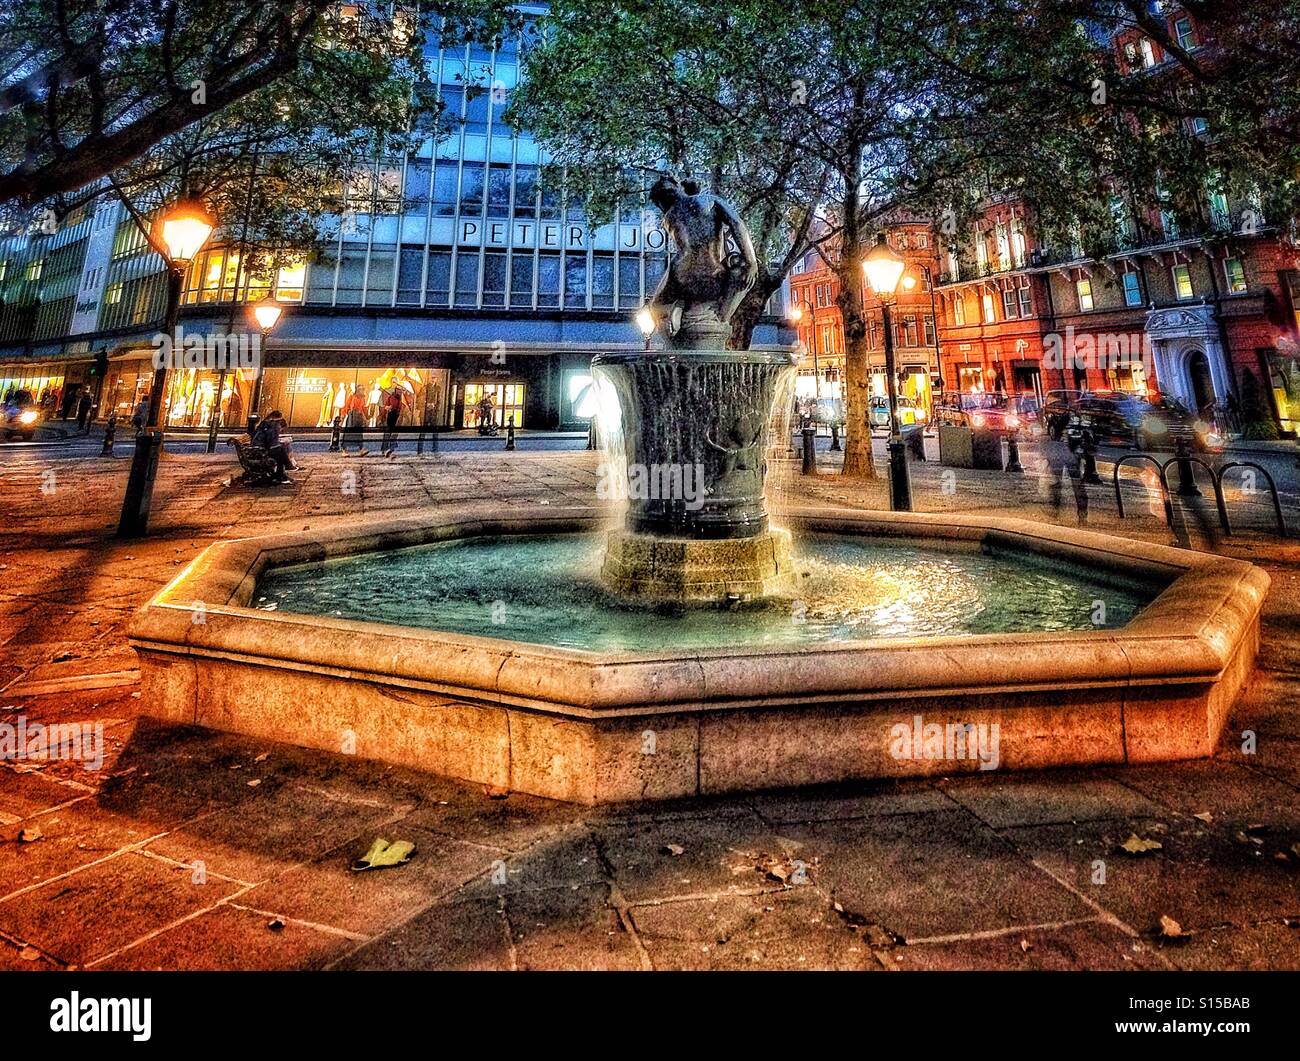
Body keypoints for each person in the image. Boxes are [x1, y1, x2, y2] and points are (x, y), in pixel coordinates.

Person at [251, 409, 293, 483]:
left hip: (259, 448)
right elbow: (271, 443)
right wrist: (279, 442)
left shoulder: (264, 424)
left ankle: (284, 470)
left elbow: (267, 440)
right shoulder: (272, 426)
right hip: (261, 451)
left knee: (281, 449)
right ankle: (286, 467)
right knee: (281, 450)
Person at [341, 385, 368, 455]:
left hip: (359, 417)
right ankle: (344, 450)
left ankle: (361, 449)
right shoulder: (352, 397)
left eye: (362, 389)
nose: (362, 391)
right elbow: (346, 406)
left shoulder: (362, 398)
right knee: (348, 433)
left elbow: (362, 408)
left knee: (359, 434)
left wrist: (365, 418)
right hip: (352, 416)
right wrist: (343, 415)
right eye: (360, 389)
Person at [380, 386, 404, 458]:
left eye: (401, 390)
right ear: (396, 390)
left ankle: (390, 449)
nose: (400, 392)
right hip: (391, 415)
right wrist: (389, 408)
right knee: (389, 433)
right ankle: (386, 449)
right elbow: (391, 406)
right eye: (399, 390)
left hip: (396, 416)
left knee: (394, 434)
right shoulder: (393, 397)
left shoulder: (400, 398)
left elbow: (399, 407)